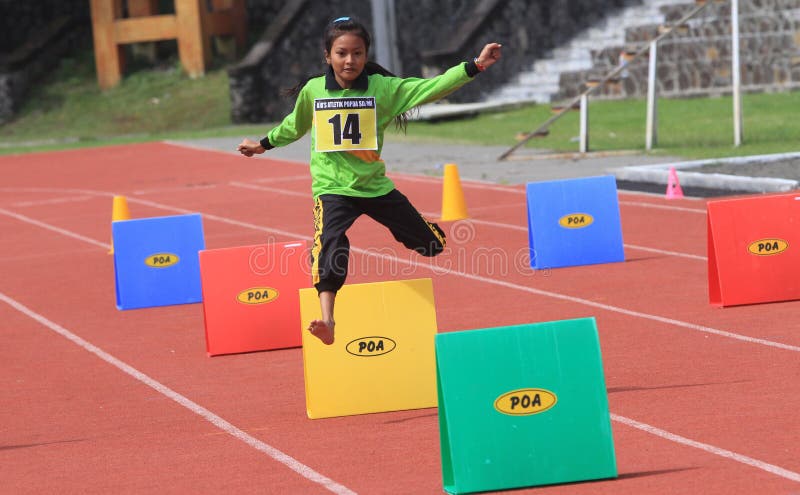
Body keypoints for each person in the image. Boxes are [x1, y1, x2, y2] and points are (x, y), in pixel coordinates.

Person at [238, 16, 502, 345]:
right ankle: (328, 320)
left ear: (366, 55)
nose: (349, 60)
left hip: (375, 187)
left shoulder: (383, 89)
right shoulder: (314, 91)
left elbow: (431, 88)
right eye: (341, 53)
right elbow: (294, 125)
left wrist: (475, 66)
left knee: (433, 246)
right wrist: (262, 145)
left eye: (357, 53)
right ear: (327, 56)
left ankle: (427, 235)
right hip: (333, 187)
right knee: (329, 244)